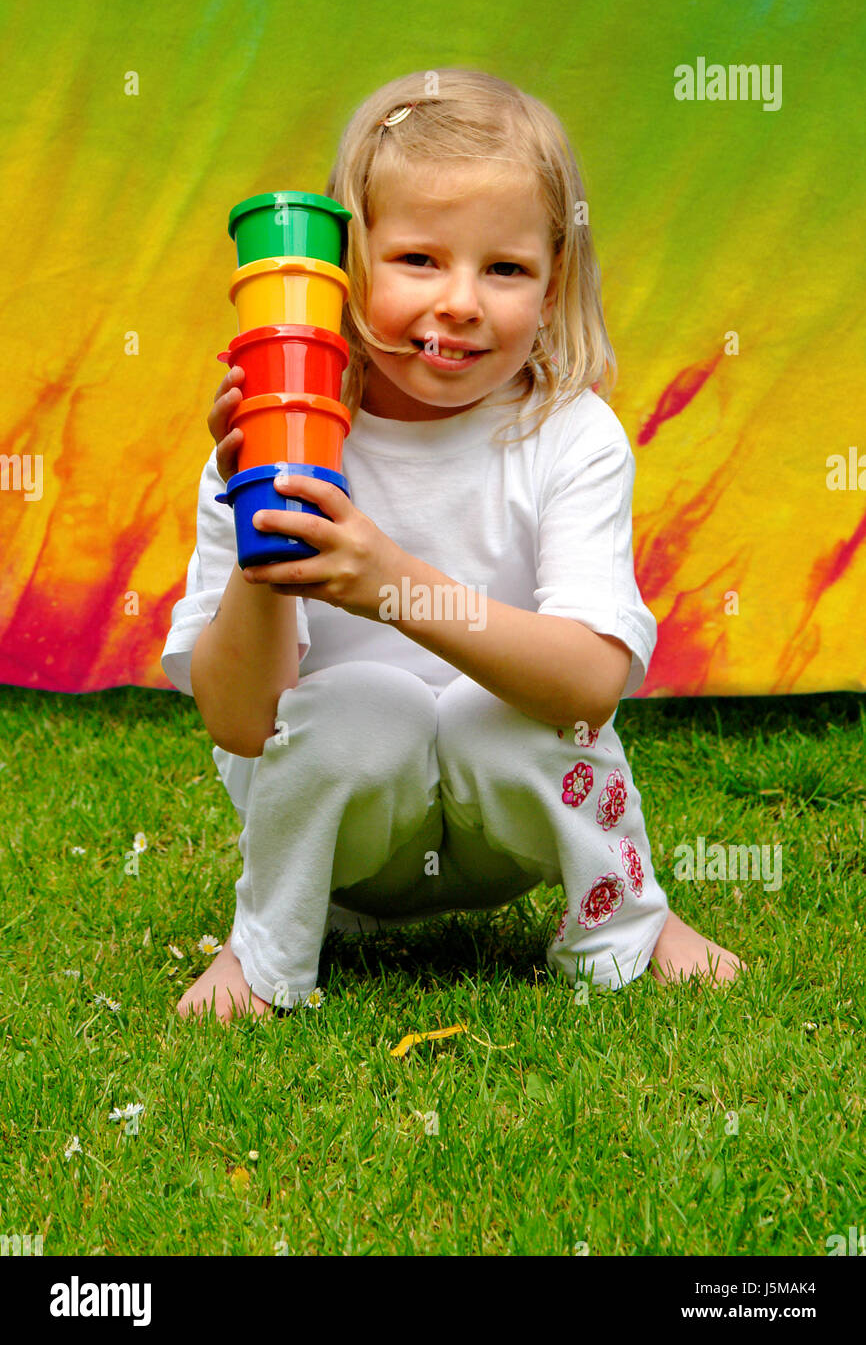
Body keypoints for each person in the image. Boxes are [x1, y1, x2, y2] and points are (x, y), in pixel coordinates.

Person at [161, 69, 745, 1023]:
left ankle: (625, 923)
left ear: (555, 284)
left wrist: (392, 583)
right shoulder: (273, 445)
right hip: (346, 846)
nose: (463, 301)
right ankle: (266, 950)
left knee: (497, 706)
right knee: (366, 701)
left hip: (503, 830)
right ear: (347, 266)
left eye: (505, 269)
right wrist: (266, 538)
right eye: (420, 259)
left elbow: (590, 683)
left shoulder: (572, 434)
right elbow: (235, 721)